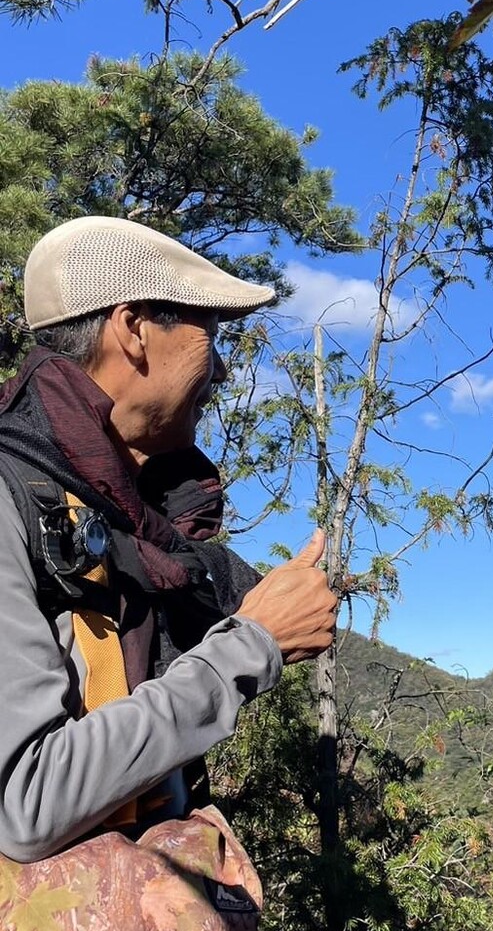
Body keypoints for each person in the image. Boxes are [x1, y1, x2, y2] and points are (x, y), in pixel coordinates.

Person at [0, 214, 337, 864]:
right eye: (209, 336)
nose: (223, 372)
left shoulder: (122, 513)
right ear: (133, 329)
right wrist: (252, 647)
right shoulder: (13, 492)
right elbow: (26, 799)